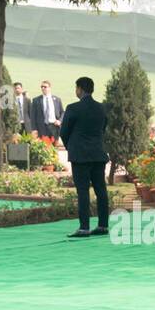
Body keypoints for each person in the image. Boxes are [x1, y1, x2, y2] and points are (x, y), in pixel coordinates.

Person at [59, 76, 110, 240]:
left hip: (80, 156)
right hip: (98, 153)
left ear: (80, 89)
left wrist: (71, 146)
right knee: (101, 190)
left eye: (76, 88)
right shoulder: (101, 108)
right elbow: (103, 128)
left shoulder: (73, 108)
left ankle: (84, 227)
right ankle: (103, 225)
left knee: (82, 191)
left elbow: (64, 131)